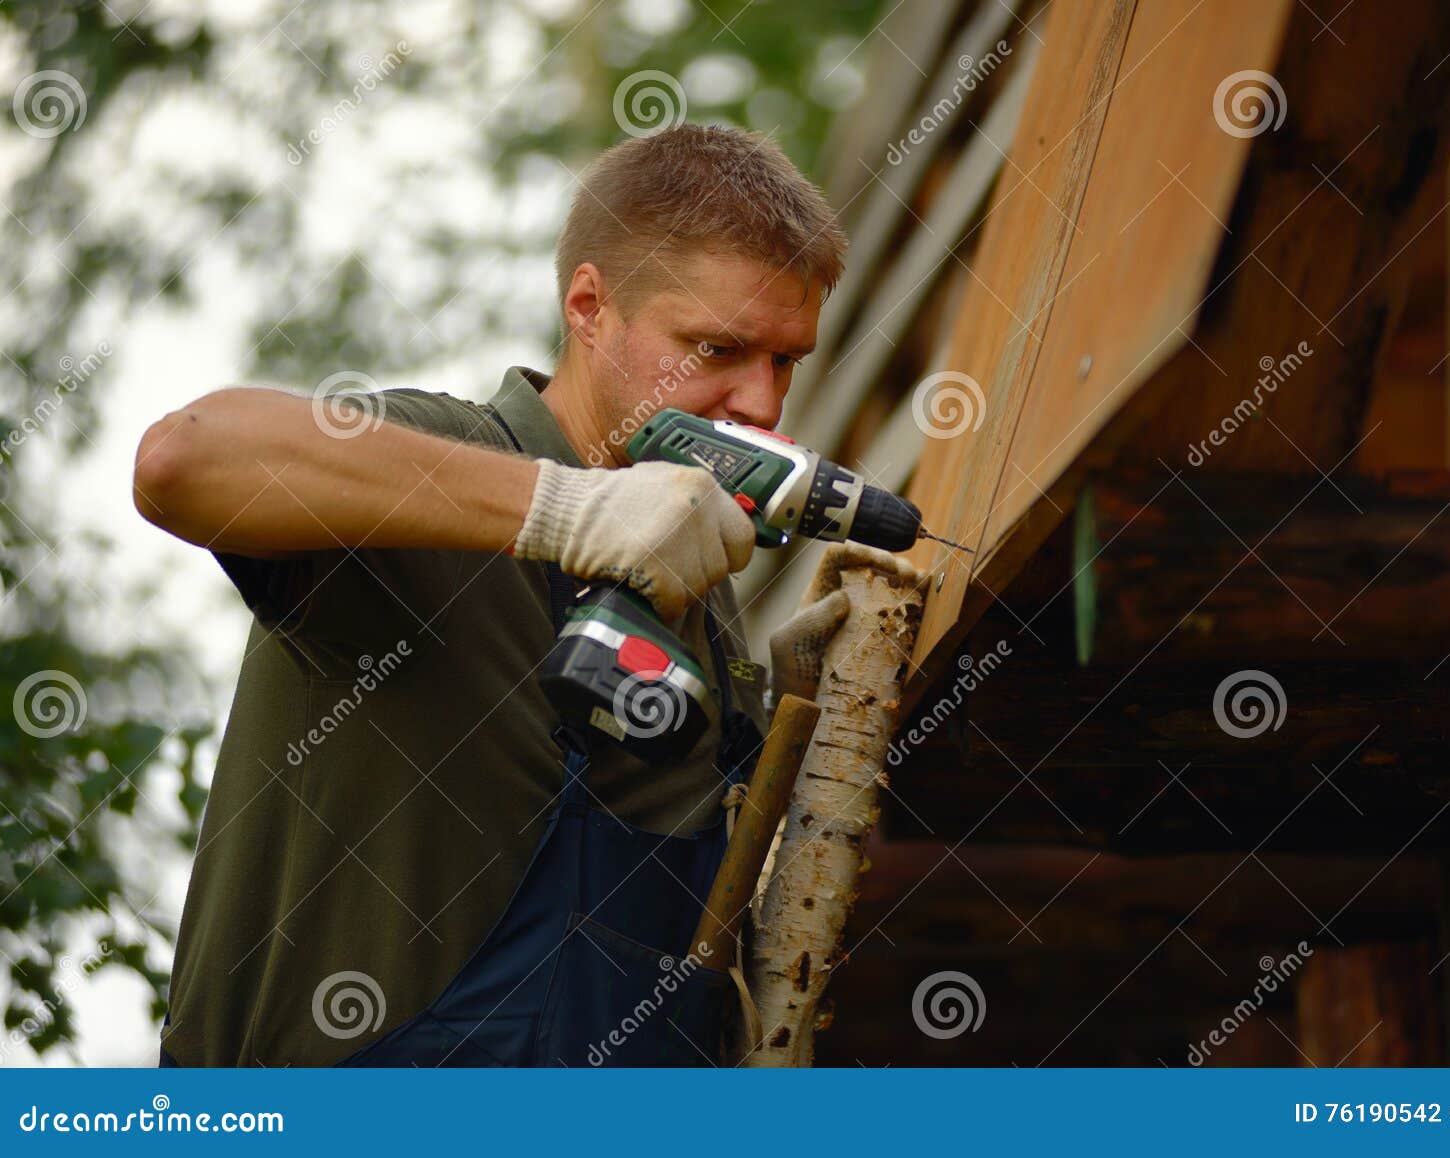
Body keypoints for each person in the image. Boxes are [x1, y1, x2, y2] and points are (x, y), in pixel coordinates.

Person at [133, 122, 922, 1067]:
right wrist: (563, 507)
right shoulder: (447, 472)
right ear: (589, 306)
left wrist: (773, 727)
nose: (761, 404)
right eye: (717, 349)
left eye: (786, 360)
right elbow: (185, 460)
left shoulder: (704, 603)